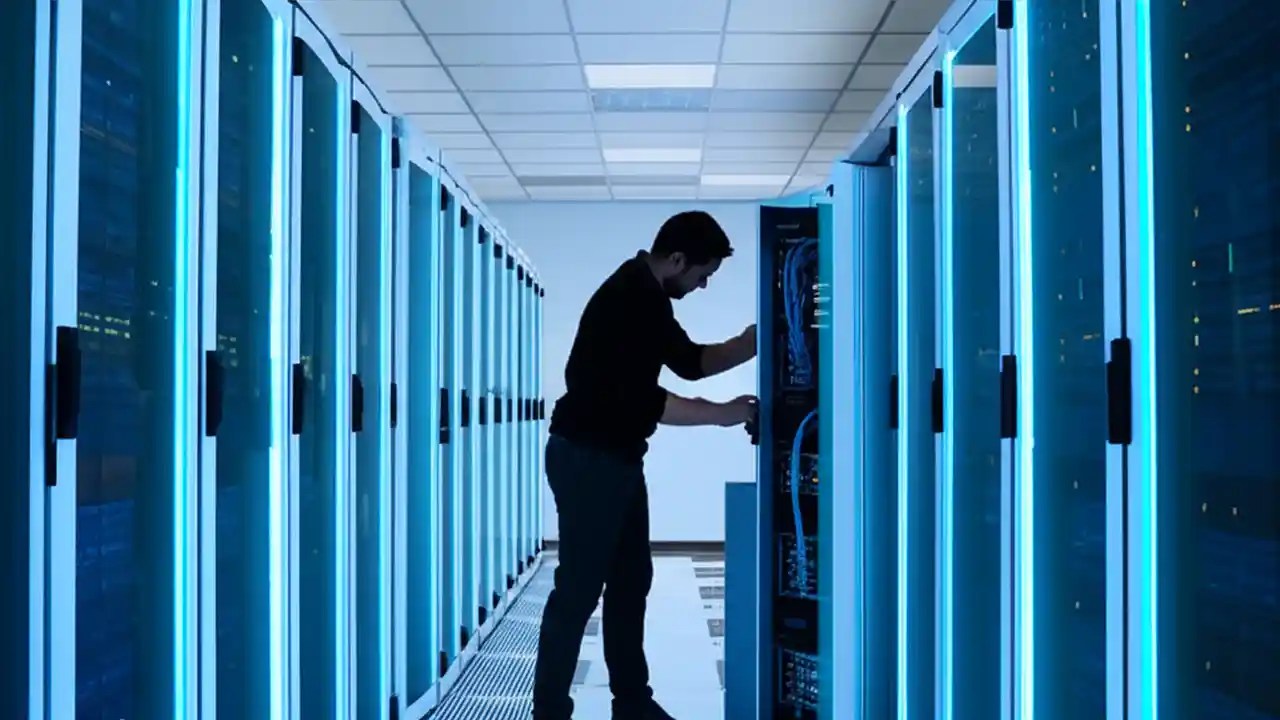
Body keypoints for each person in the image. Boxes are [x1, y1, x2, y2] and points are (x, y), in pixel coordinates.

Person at [531, 211, 758, 720]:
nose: (701, 286)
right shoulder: (629, 297)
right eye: (702, 275)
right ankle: (549, 712)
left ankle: (632, 702)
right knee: (580, 589)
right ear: (676, 259)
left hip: (616, 457)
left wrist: (753, 343)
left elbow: (689, 362)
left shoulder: (648, 294)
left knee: (632, 578)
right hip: (589, 459)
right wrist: (725, 415)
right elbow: (646, 401)